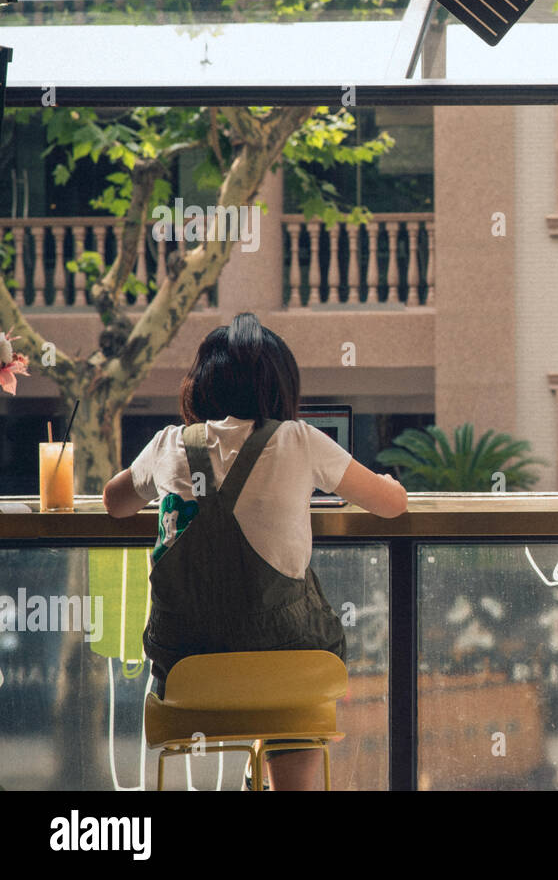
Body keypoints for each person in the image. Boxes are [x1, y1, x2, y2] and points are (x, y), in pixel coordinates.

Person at [103, 313, 407, 790]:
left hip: (186, 674)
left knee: (250, 657)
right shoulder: (299, 439)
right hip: (289, 673)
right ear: (278, 386)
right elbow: (392, 506)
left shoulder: (167, 443)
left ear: (201, 385)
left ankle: (254, 774)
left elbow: (114, 503)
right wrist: (383, 482)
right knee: (293, 663)